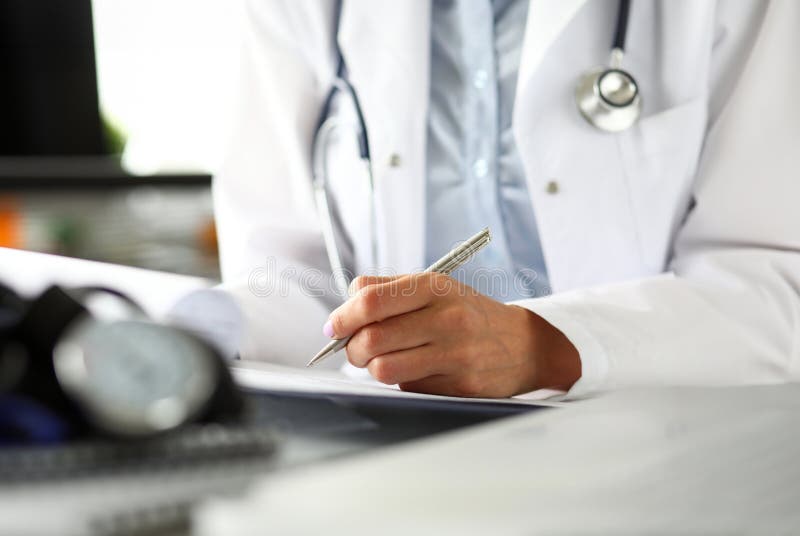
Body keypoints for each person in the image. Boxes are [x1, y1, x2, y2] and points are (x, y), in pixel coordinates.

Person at [212, 0, 800, 399]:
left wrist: (545, 344)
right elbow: (291, 272)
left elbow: (775, 284)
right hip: (389, 461)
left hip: (659, 461)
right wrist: (197, 331)